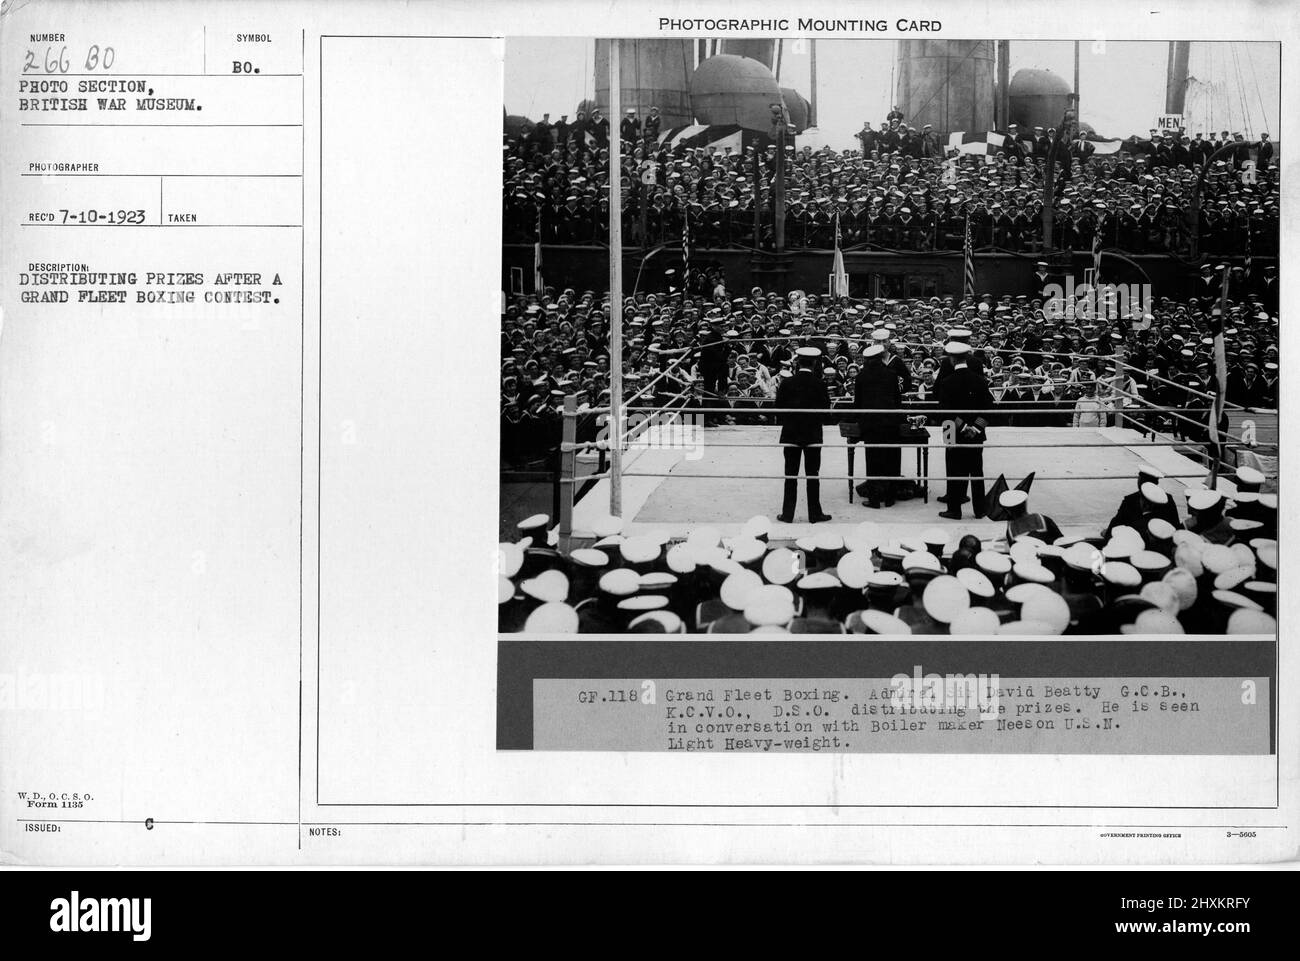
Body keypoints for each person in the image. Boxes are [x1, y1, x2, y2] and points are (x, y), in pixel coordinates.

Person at [936, 341, 993, 521]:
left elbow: (945, 410)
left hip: (952, 429)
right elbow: (988, 407)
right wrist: (975, 427)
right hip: (976, 431)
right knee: (976, 470)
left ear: (952, 359)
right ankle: (980, 509)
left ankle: (954, 509)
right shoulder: (981, 380)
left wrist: (962, 427)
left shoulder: (946, 381)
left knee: (953, 468)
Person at [776, 347, 832, 523]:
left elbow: (778, 409)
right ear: (815, 363)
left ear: (798, 362)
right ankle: (815, 514)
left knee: (790, 475)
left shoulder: (787, 383)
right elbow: (826, 411)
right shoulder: (820, 384)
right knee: (813, 474)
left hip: (791, 434)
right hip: (812, 434)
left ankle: (787, 514)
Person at [853, 343, 902, 509]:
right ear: (882, 357)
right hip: (890, 423)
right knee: (890, 460)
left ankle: (874, 499)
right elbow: (897, 400)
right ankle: (889, 498)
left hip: (870, 424)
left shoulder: (861, 376)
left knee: (872, 460)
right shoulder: (891, 374)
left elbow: (857, 403)